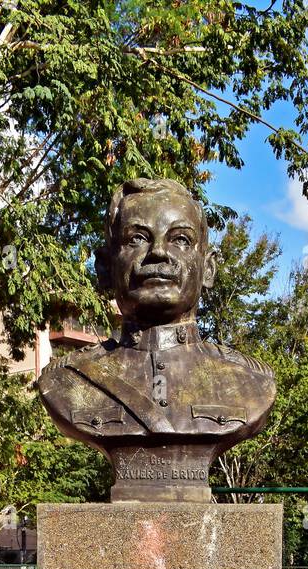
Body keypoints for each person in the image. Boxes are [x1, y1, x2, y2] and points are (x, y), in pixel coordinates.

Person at [37, 178, 276, 501]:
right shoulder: (65, 380)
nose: (159, 253)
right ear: (105, 267)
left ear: (207, 269)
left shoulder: (250, 381)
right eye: (137, 239)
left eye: (180, 240)